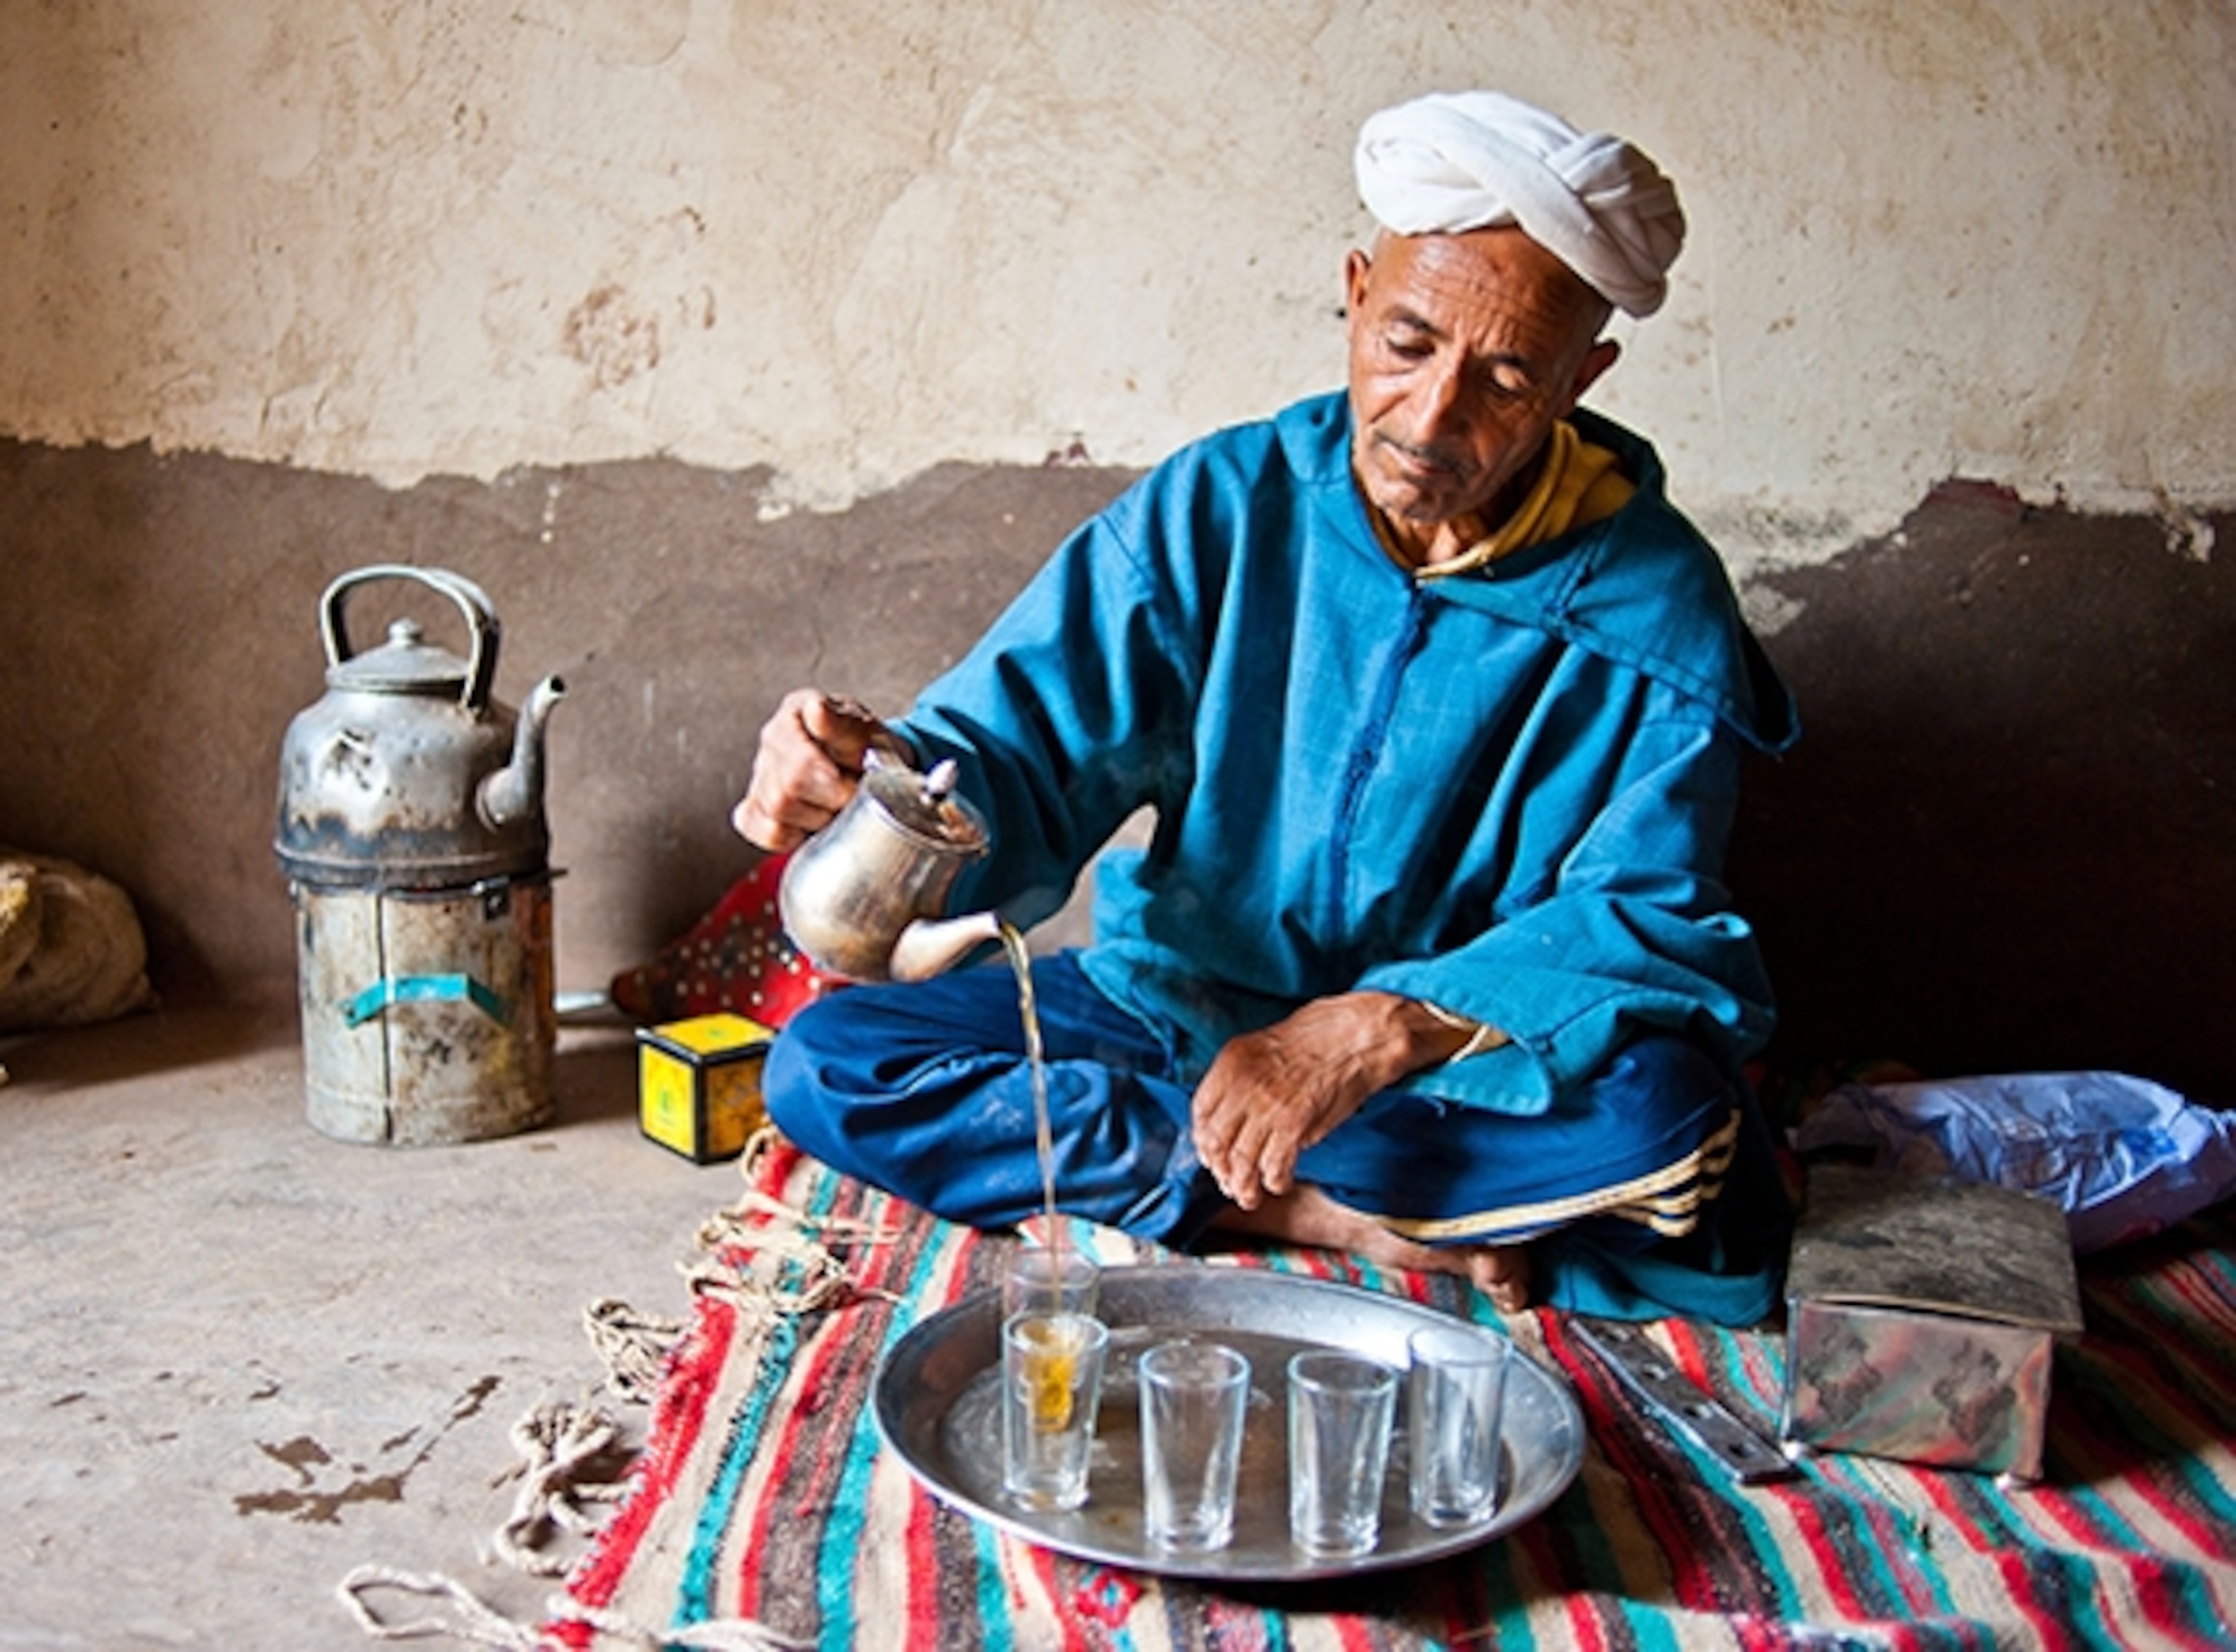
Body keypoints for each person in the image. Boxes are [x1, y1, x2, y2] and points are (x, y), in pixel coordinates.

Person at [732, 90, 1798, 1322]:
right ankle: (1318, 1208)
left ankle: (1292, 1166)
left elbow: (1643, 914)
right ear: (1355, 292)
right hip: (1183, 1010)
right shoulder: (1224, 506)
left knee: (1672, 1122)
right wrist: (878, 782)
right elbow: (1013, 749)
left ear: (1580, 380)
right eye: (1405, 342)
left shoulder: (1656, 604)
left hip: (1440, 1070)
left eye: (1506, 377)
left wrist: (1373, 1029)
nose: (1433, 417)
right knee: (830, 1062)